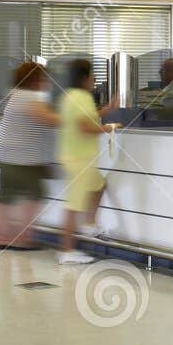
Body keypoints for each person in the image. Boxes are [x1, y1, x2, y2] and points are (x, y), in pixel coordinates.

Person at [57, 59, 119, 265]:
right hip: (79, 160)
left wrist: (107, 109)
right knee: (73, 206)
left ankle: (90, 224)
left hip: (77, 158)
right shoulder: (82, 98)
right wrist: (109, 128)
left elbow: (87, 118)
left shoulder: (71, 97)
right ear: (84, 78)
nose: (94, 79)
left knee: (99, 185)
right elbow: (86, 128)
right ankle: (66, 251)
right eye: (92, 75)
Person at [0, 61, 58, 251]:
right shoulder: (30, 97)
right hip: (22, 156)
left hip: (6, 153)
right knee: (35, 195)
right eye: (44, 78)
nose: (47, 82)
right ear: (35, 79)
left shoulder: (16, 95)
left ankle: (3, 237)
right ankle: (22, 238)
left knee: (5, 196)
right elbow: (50, 120)